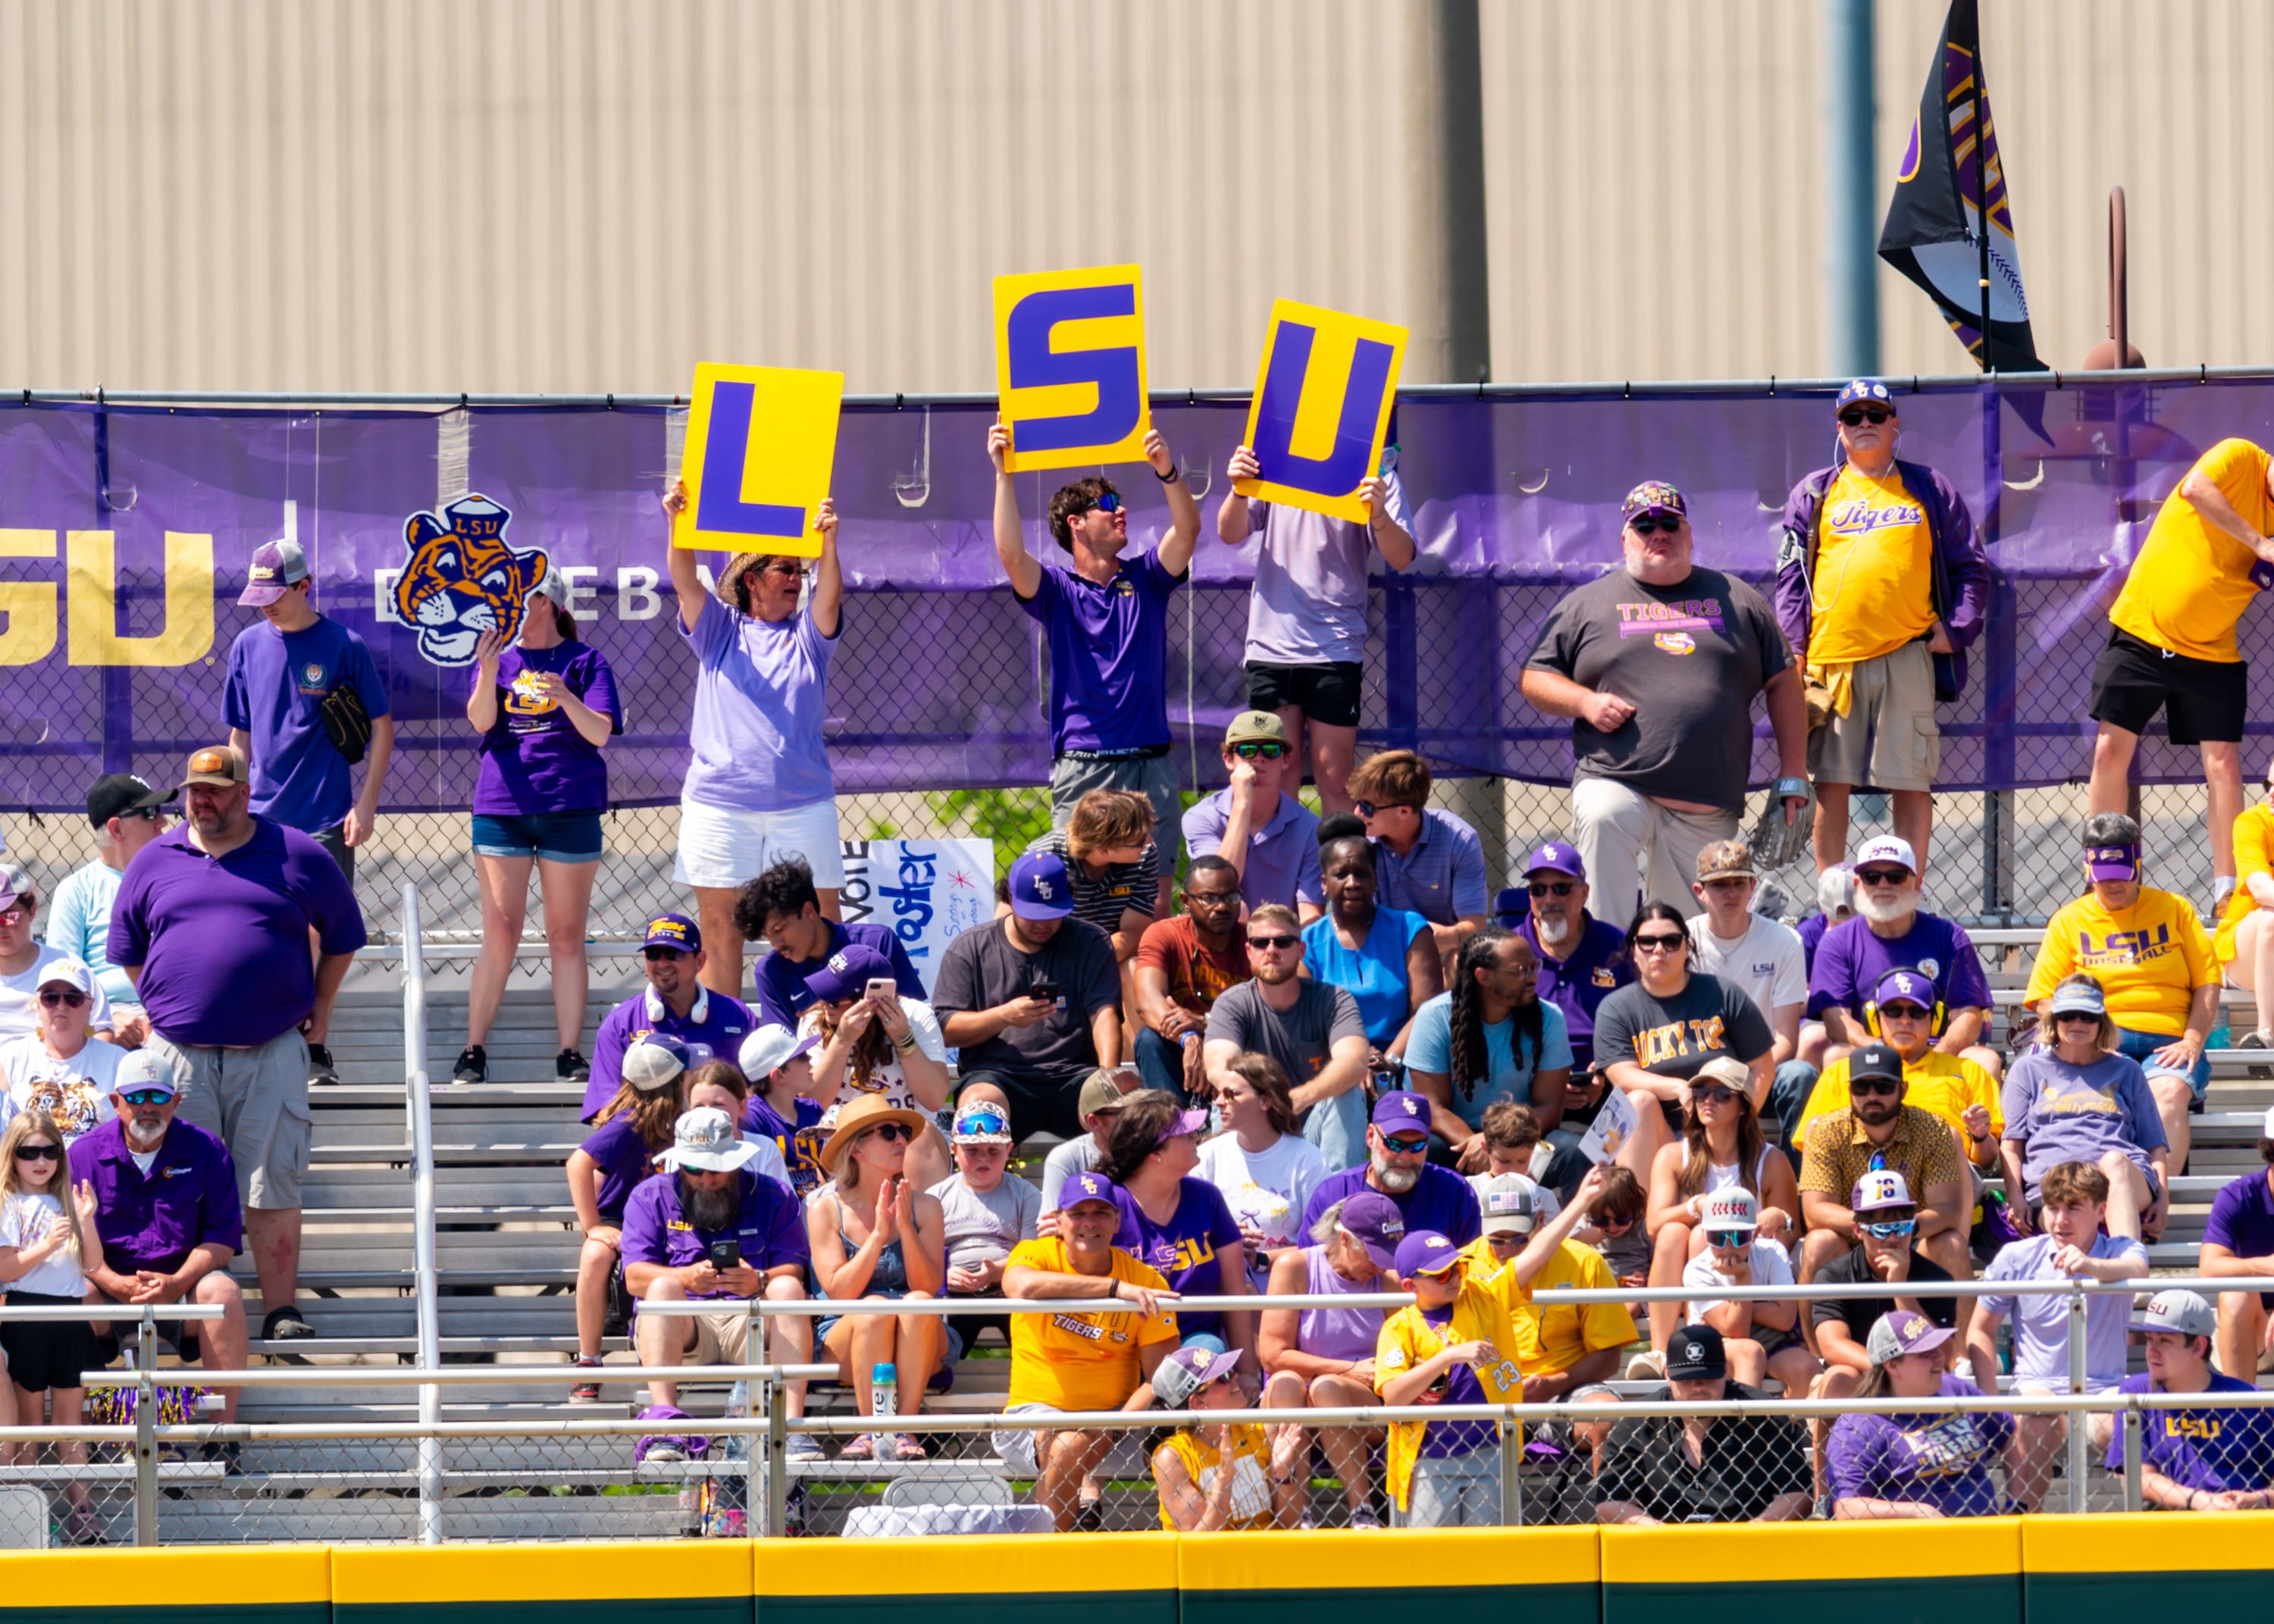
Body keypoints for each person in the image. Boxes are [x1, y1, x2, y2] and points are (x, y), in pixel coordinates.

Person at [107, 744, 365, 1341]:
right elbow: (130, 949)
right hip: (178, 1058)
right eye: (195, 790)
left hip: (271, 1049)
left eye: (216, 790)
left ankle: (280, 1312)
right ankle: (185, 1317)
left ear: (245, 793)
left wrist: (322, 1004)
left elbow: (344, 935)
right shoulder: (154, 859)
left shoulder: (296, 851)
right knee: (178, 1183)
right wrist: (170, 1004)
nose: (202, 800)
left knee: (273, 1182)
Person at [1521, 480, 1808, 919]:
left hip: (1705, 798)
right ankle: (1607, 958)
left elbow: (1785, 680)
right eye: (1645, 526)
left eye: (1670, 524)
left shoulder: (1738, 599)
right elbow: (1535, 677)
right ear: (1625, 540)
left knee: (1684, 934)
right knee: (1603, 818)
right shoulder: (1588, 604)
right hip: (1618, 777)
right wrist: (1585, 703)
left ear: (1689, 535)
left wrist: (1793, 772)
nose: (1659, 533)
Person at [988, 420, 1201, 912]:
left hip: (1151, 764)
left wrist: (1167, 471)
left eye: (1120, 502)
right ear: (1076, 524)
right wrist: (1003, 474)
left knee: (1154, 905)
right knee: (1074, 902)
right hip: (1085, 767)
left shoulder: (1147, 576)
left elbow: (1189, 531)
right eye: (1107, 504)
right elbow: (1011, 554)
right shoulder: (1057, 590)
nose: (1120, 510)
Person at [1774, 380, 1986, 867]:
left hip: (1907, 651)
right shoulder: (1814, 492)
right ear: (1839, 429)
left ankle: (1908, 892)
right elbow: (1791, 578)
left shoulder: (1929, 487)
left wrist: (1956, 630)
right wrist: (1794, 651)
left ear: (1895, 424)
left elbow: (1971, 567)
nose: (1865, 423)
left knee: (1910, 780)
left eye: (1875, 414)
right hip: (1832, 659)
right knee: (1830, 781)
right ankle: (1832, 895)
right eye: (1853, 416)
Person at [659, 477, 845, 997]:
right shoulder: (719, 629)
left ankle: (828, 1034)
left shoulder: (809, 637)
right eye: (785, 569)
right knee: (721, 931)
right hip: (720, 805)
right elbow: (684, 580)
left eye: (800, 571)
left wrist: (829, 542)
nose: (797, 579)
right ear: (752, 581)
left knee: (822, 925)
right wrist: (678, 523)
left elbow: (830, 597)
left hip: (803, 804)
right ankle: (727, 1038)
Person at [2088, 437, 2274, 903]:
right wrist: (2260, 542)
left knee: (2225, 764)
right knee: (2109, 750)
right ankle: (2102, 875)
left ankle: (2228, 893)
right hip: (2143, 629)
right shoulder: (2240, 456)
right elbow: (2195, 488)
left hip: (2212, 649)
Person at [455, 569, 622, 1084]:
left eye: (515, 597)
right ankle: (473, 1050)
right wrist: (487, 670)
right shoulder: (498, 658)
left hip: (569, 806)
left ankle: (570, 1053)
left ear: (545, 601)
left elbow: (600, 733)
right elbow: (481, 722)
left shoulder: (586, 661)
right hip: (502, 807)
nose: (503, 605)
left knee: (566, 935)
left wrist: (566, 697)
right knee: (501, 931)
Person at [1217, 433, 1414, 815]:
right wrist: (1239, 489)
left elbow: (1402, 556)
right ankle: (1283, 858)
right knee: (1274, 784)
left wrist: (1378, 514)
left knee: (1336, 781)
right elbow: (1228, 532)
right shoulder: (1274, 455)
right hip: (1270, 648)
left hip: (1334, 649)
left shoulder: (1375, 469)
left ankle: (1339, 857)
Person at [2022, 815, 2216, 1185]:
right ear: (2087, 868)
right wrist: (2088, 1040)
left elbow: (2208, 982)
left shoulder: (2175, 909)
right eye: (2103, 875)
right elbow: (2044, 998)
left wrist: (2192, 1040)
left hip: (2170, 1040)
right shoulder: (2069, 921)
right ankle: (2108, 1196)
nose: (2112, 883)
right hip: (2101, 1037)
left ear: (2138, 864)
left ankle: (2151, 1197)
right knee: (2101, 1098)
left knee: (2167, 1093)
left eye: (2122, 874)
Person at [621, 1106, 813, 1463]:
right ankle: (665, 1426)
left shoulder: (774, 1194)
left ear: (735, 1161)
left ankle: (793, 1426)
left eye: (716, 1168)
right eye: (694, 1168)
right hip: (685, 1328)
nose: (705, 1178)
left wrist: (759, 1280)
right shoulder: (649, 1196)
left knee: (787, 1287)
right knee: (662, 1288)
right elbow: (633, 1277)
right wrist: (685, 1278)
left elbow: (795, 1268)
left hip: (753, 1321)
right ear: (680, 1163)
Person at [69, 1054, 249, 1421]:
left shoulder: (207, 1150)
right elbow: (69, 1240)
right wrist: (111, 1281)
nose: (148, 1106)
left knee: (223, 1292)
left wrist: (177, 1282)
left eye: (159, 1096)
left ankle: (222, 1434)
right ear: (116, 1102)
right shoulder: (82, 1154)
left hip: (184, 1287)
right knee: (73, 1293)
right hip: (106, 1287)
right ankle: (78, 1436)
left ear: (176, 1101)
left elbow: (221, 1238)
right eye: (136, 1097)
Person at [999, 1169, 1182, 1532]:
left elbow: (1159, 1378)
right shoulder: (1034, 1253)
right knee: (1068, 1443)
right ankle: (1055, 1550)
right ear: (1058, 1221)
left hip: (1118, 1420)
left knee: (1074, 1444)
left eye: (1100, 1213)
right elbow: (1020, 1286)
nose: (1089, 1222)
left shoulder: (1145, 1280)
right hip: (1034, 1417)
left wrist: (1115, 1426)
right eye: (1078, 1213)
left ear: (1117, 1221)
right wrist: (1114, 1289)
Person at [1965, 1159, 2150, 1510]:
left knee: (2129, 1423)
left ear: (2101, 1211)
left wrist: (2091, 1267)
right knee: (2036, 1419)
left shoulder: (2122, 1250)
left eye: (2073, 1208)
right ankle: (2024, 1521)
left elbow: (2138, 1270)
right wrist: (1990, 1405)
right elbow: (1980, 1330)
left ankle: (2144, 1524)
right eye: (2053, 1208)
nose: (2060, 1220)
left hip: (2103, 1390)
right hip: (2038, 1387)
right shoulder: (2016, 1257)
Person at [224, 537, 394, 887]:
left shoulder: (345, 645)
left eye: (275, 595)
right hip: (258, 819)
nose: (266, 606)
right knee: (263, 920)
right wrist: (235, 800)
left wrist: (367, 804)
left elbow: (382, 726)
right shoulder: (246, 645)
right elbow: (240, 736)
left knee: (325, 922)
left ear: (304, 586)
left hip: (324, 820)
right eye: (259, 597)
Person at [934, 851, 1121, 1140]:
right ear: (1009, 900)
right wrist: (1003, 1016)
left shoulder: (1091, 941)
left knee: (1120, 1114)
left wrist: (1108, 1077)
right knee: (977, 1112)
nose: (1043, 924)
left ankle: (1107, 1172)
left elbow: (1104, 1015)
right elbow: (946, 1030)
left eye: (1053, 914)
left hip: (1074, 1076)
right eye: (1033, 915)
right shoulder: (971, 947)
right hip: (998, 1077)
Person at [807, 1094, 948, 1463]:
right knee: (873, 1308)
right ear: (856, 1149)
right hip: (848, 1332)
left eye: (903, 1132)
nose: (901, 1140)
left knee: (918, 1303)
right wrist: (877, 1236)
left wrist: (906, 1228)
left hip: (918, 1334)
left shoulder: (927, 1206)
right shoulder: (825, 1209)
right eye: (888, 1132)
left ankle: (904, 1428)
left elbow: (926, 1286)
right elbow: (840, 1293)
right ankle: (871, 1429)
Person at [1258, 1190, 1404, 1529]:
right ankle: (1294, 1517)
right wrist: (1348, 1369)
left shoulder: (1390, 1281)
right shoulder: (1294, 1267)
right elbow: (1272, 1356)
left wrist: (1346, 1377)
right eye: (1374, 1254)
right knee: (1286, 1383)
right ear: (1345, 1240)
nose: (1381, 1265)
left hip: (1359, 1403)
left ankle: (1362, 1512)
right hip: (1297, 1397)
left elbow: (1403, 1354)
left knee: (1325, 1389)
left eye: (1388, 1255)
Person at [1642, 1059, 1800, 1357]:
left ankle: (1699, 1337)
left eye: (1722, 1094)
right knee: (1676, 1232)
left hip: (1748, 1270)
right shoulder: (1673, 1155)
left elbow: (1791, 1234)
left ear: (1743, 1106)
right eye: (1701, 1093)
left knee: (1701, 1235)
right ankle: (1661, 1352)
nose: (1709, 1100)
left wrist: (1779, 1217)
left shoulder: (1771, 1160)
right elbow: (1653, 1226)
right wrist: (1696, 1206)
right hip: (1696, 1274)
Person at [1592, 903, 1765, 1173]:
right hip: (1651, 1132)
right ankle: (1636, 1201)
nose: (1659, 950)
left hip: (1717, 1129)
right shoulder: (1616, 1008)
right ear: (1633, 950)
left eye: (1671, 941)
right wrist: (1679, 1088)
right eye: (1647, 942)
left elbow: (1762, 1066)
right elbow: (1621, 1076)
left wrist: (1739, 1119)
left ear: (1687, 947)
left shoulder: (1723, 994)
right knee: (1638, 1101)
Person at [565, 1037, 694, 1397]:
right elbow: (578, 1164)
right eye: (688, 1072)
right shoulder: (630, 1122)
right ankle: (589, 1359)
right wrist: (592, 1227)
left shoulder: (688, 1120)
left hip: (669, 1216)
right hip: (619, 1217)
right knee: (595, 1255)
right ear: (675, 1082)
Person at [1807, 834, 1997, 1078]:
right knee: (1836, 1056)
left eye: (1895, 876)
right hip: (1871, 1054)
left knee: (1985, 1060)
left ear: (1917, 883)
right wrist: (1882, 1055)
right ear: (1857, 885)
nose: (1883, 885)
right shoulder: (1837, 942)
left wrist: (1935, 1057)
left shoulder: (1950, 936)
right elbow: (1837, 1021)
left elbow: (1968, 1014)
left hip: (1937, 1052)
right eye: (1871, 877)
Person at [1374, 1229, 1527, 1527]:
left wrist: (1580, 1206)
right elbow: (1392, 1396)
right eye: (1442, 1275)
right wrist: (1447, 1357)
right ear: (1410, 1285)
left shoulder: (1479, 1298)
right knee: (1433, 1551)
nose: (1455, 1278)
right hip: (1429, 1458)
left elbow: (1533, 1259)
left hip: (1490, 1450)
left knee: (1491, 1549)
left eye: (1457, 1269)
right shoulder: (1400, 1327)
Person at [1201, 906, 1370, 1169]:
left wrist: (1302, 1097)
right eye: (1261, 943)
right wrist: (1267, 1102)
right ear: (1249, 951)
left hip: (1313, 1126)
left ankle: (1335, 1192)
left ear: (1301, 950)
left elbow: (1355, 1062)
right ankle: (1232, 1186)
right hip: (1256, 1124)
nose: (1271, 950)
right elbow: (1219, 1068)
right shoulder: (1231, 1003)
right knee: (1227, 1094)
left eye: (1282, 942)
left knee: (1348, 1093)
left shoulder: (1334, 999)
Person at [1793, 966, 2003, 1176]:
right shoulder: (1842, 1072)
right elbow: (1813, 1148)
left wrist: (1979, 1136)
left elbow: (1987, 1161)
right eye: (1893, 1011)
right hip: (1860, 1180)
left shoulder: (1969, 1072)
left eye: (1916, 1012)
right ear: (1874, 1018)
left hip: (1945, 1179)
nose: (1905, 1020)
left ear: (1935, 1019)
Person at [1998, 976, 2169, 1233]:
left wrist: (2163, 1200)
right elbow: (2011, 1145)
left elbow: (2154, 1144)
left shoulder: (2127, 1070)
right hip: (2052, 1186)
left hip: (2120, 1180)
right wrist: (2015, 1196)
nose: (2077, 1024)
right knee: (2069, 1209)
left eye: (2088, 1017)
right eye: (2068, 1015)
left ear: (2102, 1022)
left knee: (2114, 1161)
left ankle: (2130, 1258)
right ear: (2054, 1020)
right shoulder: (2026, 1070)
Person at [1594, 1323, 1812, 1524]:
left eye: (1708, 1377)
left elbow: (1798, 1493)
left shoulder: (1762, 1412)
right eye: (1687, 1379)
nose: (1698, 1387)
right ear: (1668, 1373)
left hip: (1746, 1539)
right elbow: (1609, 1501)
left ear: (1725, 1371)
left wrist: (1755, 1528)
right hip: (1663, 1541)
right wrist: (1657, 1531)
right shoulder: (1639, 1418)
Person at [1401, 928, 1574, 1174]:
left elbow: (1549, 1108)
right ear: (1483, 977)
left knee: (1572, 1151)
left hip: (1520, 1135)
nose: (1534, 978)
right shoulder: (1434, 1016)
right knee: (1427, 1151)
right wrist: (1482, 1148)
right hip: (1456, 1139)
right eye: (1521, 971)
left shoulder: (1549, 1018)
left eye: (1535, 967)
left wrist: (1499, 1146)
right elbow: (1433, 1108)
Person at [1796, 1041, 1971, 1282]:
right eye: (1861, 1088)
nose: (1872, 1096)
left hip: (1911, 1243)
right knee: (1819, 1243)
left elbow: (1948, 1210)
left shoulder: (1933, 1129)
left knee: (1951, 1244)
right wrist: (1875, 1228)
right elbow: (1815, 1212)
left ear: (1903, 1089)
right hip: (1849, 1246)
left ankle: (1963, 1312)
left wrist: (1900, 1229)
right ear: (1849, 1090)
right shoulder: (1827, 1130)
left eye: (1884, 1087)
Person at [1099, 1092, 1254, 1363]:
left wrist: (1249, 1372)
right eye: (1186, 1135)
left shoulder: (1207, 1197)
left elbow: (1234, 1295)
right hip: (1123, 1345)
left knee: (1205, 1356)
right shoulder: (1105, 1204)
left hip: (1197, 1341)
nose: (1197, 1138)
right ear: (1155, 1154)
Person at [0, 1109, 97, 1540]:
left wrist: (87, 1221)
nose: (41, 1161)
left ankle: (82, 1510)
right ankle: (22, 1512)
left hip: (70, 1314)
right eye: (28, 1152)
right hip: (26, 1316)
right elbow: (6, 1269)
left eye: (50, 1151)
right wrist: (46, 1245)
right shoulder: (7, 1202)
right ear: (12, 1155)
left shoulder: (71, 1202)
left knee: (69, 1421)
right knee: (29, 1423)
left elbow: (93, 1264)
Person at [1826, 1309, 2013, 1519]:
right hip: (1915, 1537)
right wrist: (1915, 1511)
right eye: (1925, 1353)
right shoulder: (1859, 1425)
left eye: (1937, 1348)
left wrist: (2016, 1501)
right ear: (1893, 1366)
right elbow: (1847, 1508)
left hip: (1986, 1531)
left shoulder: (1954, 1389)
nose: (1939, 1357)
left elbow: (2010, 1432)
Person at [796, 943, 953, 1191]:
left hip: (909, 1135)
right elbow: (811, 1105)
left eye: (834, 1001)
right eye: (823, 994)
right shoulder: (815, 1022)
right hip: (846, 1135)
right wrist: (841, 1042)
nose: (825, 1004)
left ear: (868, 1001)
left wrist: (903, 1039)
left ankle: (924, 1215)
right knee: (843, 1149)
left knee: (919, 1139)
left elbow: (934, 1099)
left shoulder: (916, 1016)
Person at [1686, 843, 1816, 1132]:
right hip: (1699, 1071)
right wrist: (1715, 1078)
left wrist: (1745, 1074)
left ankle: (1793, 1162)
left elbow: (1786, 1038)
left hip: (1762, 1069)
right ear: (1699, 891)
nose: (1731, 892)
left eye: (1739, 883)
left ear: (1753, 886)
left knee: (1799, 1075)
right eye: (1719, 884)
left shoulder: (1785, 941)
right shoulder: (1682, 940)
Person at [580, 913, 755, 1121]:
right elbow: (604, 1110)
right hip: (649, 1135)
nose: (662, 964)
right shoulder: (620, 1023)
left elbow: (761, 1095)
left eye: (674, 954)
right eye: (653, 954)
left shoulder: (737, 1015)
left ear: (699, 961)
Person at [2111, 1288, 2274, 1510]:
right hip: (2174, 1521)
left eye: (2164, 1341)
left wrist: (2257, 1499)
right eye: (2149, 1340)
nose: (2152, 1351)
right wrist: (2199, 1500)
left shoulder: (2250, 1400)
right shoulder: (2136, 1392)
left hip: (2243, 1520)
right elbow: (2138, 1479)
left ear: (2198, 1347)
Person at [42, 773, 174, 1048]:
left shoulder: (179, 881)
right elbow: (62, 980)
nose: (162, 821)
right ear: (117, 829)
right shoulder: (76, 890)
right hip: (104, 1018)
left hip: (173, 1011)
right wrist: (107, 1018)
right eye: (150, 813)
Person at [1809, 1172, 1962, 1403]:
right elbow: (1832, 1346)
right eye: (1881, 1229)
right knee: (1839, 1377)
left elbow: (1943, 1352)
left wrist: (1900, 1288)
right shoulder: (1834, 1276)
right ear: (1858, 1230)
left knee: (1932, 1375)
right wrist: (1888, 1370)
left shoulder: (1936, 1277)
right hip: (1862, 1370)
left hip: (1915, 1375)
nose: (1892, 1238)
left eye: (1902, 1227)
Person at [739, 858, 924, 1031]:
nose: (775, 944)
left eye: (779, 929)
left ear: (808, 910)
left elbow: (916, 1020)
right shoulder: (770, 971)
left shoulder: (878, 942)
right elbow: (784, 1048)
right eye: (767, 935)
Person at [1301, 834, 1441, 1062]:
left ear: (1375, 880)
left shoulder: (1410, 929)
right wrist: (1352, 1062)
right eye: (1341, 874)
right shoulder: (1306, 943)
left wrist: (1388, 1061)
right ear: (1324, 883)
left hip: (1405, 1058)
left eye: (1362, 873)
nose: (1352, 883)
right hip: (1335, 1060)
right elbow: (1306, 1024)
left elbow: (1425, 1012)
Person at [1340, 751, 1487, 962]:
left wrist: (1442, 937)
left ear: (1404, 812)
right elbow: (1353, 925)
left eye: (1367, 807)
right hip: (1381, 951)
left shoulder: (1459, 840)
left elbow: (1475, 927)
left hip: (1443, 950)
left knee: (1464, 958)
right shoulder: (1358, 842)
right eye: (1357, 802)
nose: (1357, 813)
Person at [1196, 1053, 1326, 1288]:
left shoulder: (1307, 1159)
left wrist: (1260, 1260)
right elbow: (1186, 1230)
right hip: (1222, 1285)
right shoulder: (1207, 1155)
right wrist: (1224, 1238)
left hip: (1289, 1288)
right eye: (1217, 1094)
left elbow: (1322, 1244)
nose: (1219, 1102)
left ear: (1265, 1101)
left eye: (1231, 1094)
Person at [1180, 712, 1323, 920]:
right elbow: (1218, 888)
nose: (1259, 758)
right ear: (1229, 759)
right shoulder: (1202, 817)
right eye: (1247, 750)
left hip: (1282, 936)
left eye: (1271, 750)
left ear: (1286, 760)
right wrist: (1242, 803)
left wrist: (1281, 940)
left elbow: (1310, 916)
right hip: (1220, 931)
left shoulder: (1310, 828)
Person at [1148, 1343, 1304, 1531]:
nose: (1235, 1376)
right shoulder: (1172, 1457)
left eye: (1230, 1371)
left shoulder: (1259, 1429)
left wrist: (1283, 1473)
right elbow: (1197, 1542)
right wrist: (1224, 1479)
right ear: (1199, 1401)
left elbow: (1292, 1524)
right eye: (1224, 1377)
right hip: (1218, 1551)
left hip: (1269, 1547)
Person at [1676, 1188, 1816, 1396]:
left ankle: (1783, 1419)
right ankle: (1746, 1418)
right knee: (1750, 1353)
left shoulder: (1773, 1252)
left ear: (1755, 1234)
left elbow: (1786, 1319)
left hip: (1773, 1340)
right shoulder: (1697, 1270)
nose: (1728, 1247)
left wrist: (1735, 1307)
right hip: (1717, 1344)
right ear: (1705, 1235)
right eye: (1718, 1237)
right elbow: (1737, 1333)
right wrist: (1743, 1279)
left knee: (1806, 1368)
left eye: (1739, 1236)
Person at [1131, 857, 1250, 1101]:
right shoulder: (1165, 934)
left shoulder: (1254, 942)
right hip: (1183, 1053)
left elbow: (1267, 1016)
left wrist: (1207, 1027)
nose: (1222, 907)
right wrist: (1188, 1038)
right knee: (1150, 1040)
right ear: (1186, 901)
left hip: (1239, 1050)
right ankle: (1172, 1121)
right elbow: (1148, 1002)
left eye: (1231, 897)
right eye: (1209, 898)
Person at [1298, 1092, 1483, 1247]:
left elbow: (1474, 1265)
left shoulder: (1454, 1192)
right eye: (1394, 1144)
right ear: (1371, 1136)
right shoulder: (1334, 1193)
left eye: (1417, 1146)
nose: (1405, 1156)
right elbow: (1310, 1266)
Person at [929, 1100, 1039, 1351]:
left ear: (1008, 1150)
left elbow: (1033, 1254)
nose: (983, 1158)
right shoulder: (935, 1197)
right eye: (972, 1150)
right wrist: (942, 1275)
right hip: (951, 1293)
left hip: (1010, 1289)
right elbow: (923, 1255)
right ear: (954, 1150)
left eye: (993, 1150)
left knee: (1033, 1337)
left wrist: (997, 1271)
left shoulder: (1026, 1195)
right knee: (937, 1342)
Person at [1020, 790, 1161, 985]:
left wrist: (1087, 963)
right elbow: (1013, 926)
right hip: (1046, 958)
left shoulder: (1145, 855)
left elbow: (1133, 932)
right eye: (1139, 840)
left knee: (1134, 968)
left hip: (1105, 957)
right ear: (1103, 850)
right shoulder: (1042, 858)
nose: (1149, 841)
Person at [0, 958, 124, 1141]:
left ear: (90, 1006)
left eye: (73, 998)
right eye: (50, 998)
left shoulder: (118, 1061)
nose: (61, 1006)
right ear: (38, 1005)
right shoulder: (10, 1059)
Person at [0, 864, 115, 1046]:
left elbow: (102, 1029)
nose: (1, 927)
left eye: (9, 917)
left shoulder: (66, 966)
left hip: (53, 1061)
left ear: (32, 912)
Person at [2201, 1105, 2274, 1382]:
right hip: (2253, 1330)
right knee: (2236, 1295)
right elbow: (2209, 1268)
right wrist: (2266, 1267)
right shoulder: (2238, 1196)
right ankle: (2239, 1408)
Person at [2216, 771, 2274, 1046]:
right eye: (2268, 784)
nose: (2271, 793)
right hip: (2243, 955)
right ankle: (2267, 1033)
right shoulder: (2253, 822)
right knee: (2271, 919)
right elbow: (2263, 890)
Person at [737, 1025, 827, 1197]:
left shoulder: (812, 1109)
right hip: (781, 1209)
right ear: (779, 1076)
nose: (810, 1059)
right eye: (802, 1056)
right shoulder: (753, 1118)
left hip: (814, 1206)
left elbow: (824, 1171)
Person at [1038, 1069, 1133, 1219]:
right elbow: (1054, 1226)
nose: (1139, 1116)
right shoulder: (1066, 1159)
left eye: (1143, 1107)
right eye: (1126, 1112)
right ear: (1095, 1122)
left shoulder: (1157, 1152)